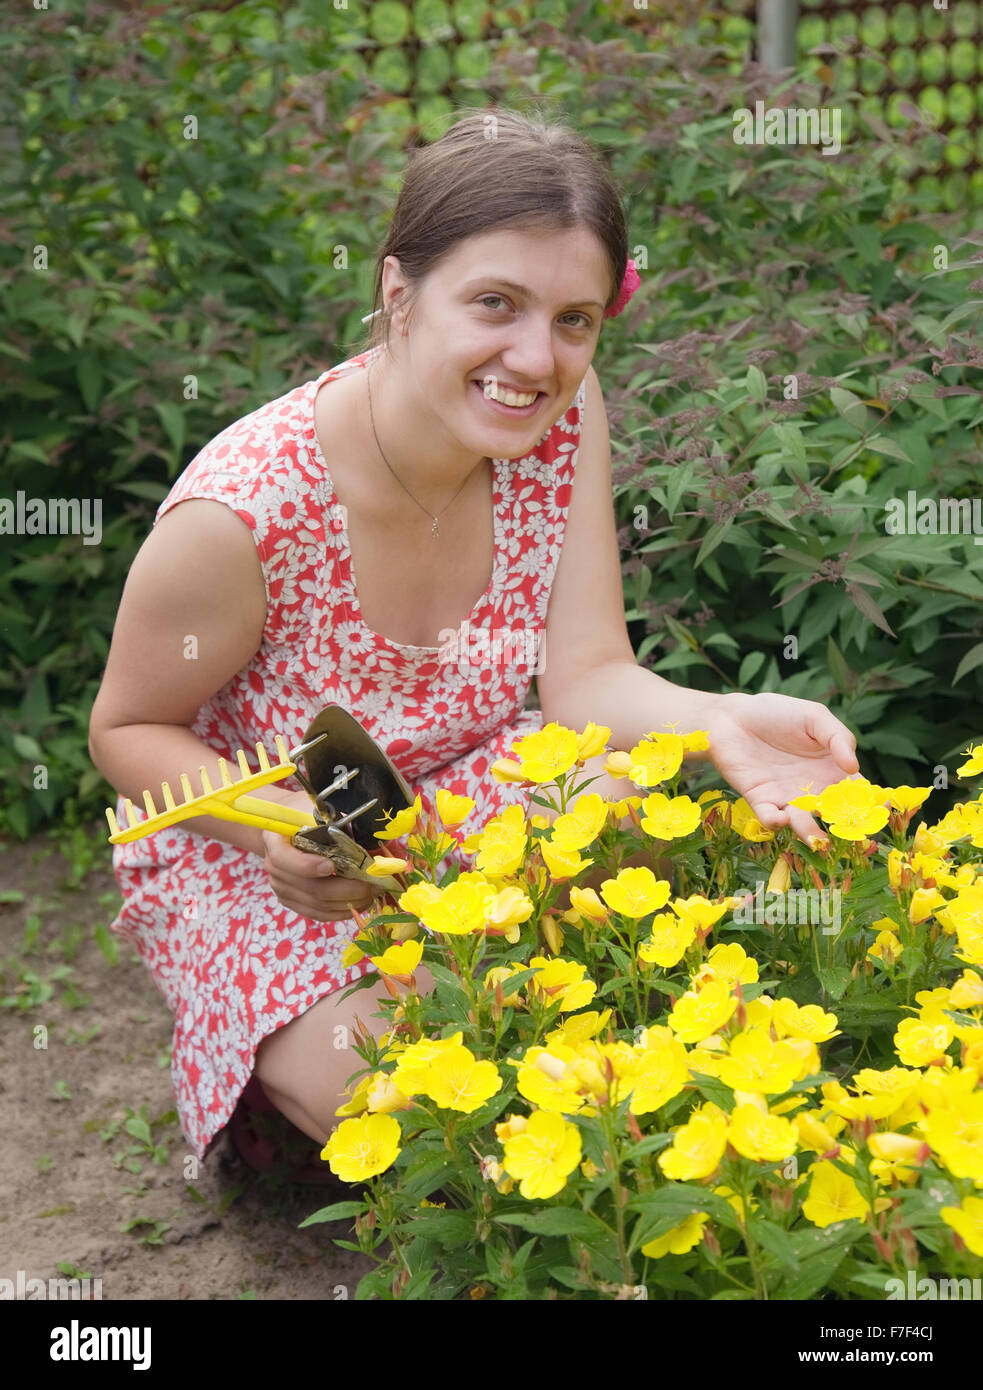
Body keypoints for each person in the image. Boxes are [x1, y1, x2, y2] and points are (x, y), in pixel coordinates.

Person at [87, 106, 859, 1180]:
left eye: (575, 319)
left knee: (642, 815)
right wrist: (279, 827)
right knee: (409, 1099)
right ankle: (276, 1092)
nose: (535, 358)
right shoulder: (242, 513)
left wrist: (721, 721)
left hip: (477, 792)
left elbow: (587, 675)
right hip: (284, 856)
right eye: (494, 303)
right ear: (398, 293)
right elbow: (126, 729)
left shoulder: (564, 412)